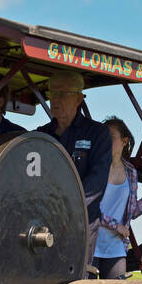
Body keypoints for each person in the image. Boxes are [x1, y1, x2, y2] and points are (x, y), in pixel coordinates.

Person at [36, 71, 115, 265]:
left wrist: (67, 207)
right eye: (52, 94)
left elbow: (97, 183)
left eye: (63, 94)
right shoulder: (40, 136)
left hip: (80, 225)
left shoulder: (98, 133)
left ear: (79, 98)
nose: (55, 99)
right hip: (44, 223)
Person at [90, 116, 142, 278]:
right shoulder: (93, 168)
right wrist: (115, 226)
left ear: (124, 141)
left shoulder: (130, 172)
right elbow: (87, 207)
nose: (105, 141)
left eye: (110, 137)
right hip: (90, 246)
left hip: (116, 249)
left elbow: (133, 211)